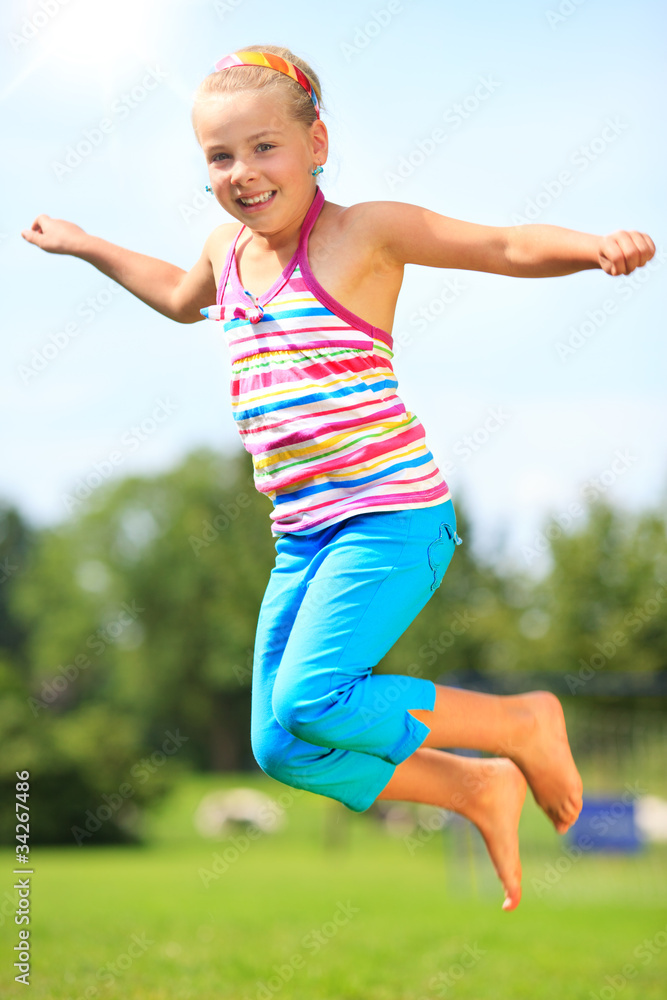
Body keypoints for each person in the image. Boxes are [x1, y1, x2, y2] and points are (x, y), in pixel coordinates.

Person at [21, 45, 655, 911]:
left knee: (315, 699)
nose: (243, 172)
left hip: (392, 518)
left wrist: (594, 248)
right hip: (301, 537)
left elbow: (501, 244)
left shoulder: (364, 233)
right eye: (219, 155)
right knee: (281, 744)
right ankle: (473, 787)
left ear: (315, 143)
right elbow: (176, 296)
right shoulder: (224, 250)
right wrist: (85, 243)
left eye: (264, 147)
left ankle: (520, 723)